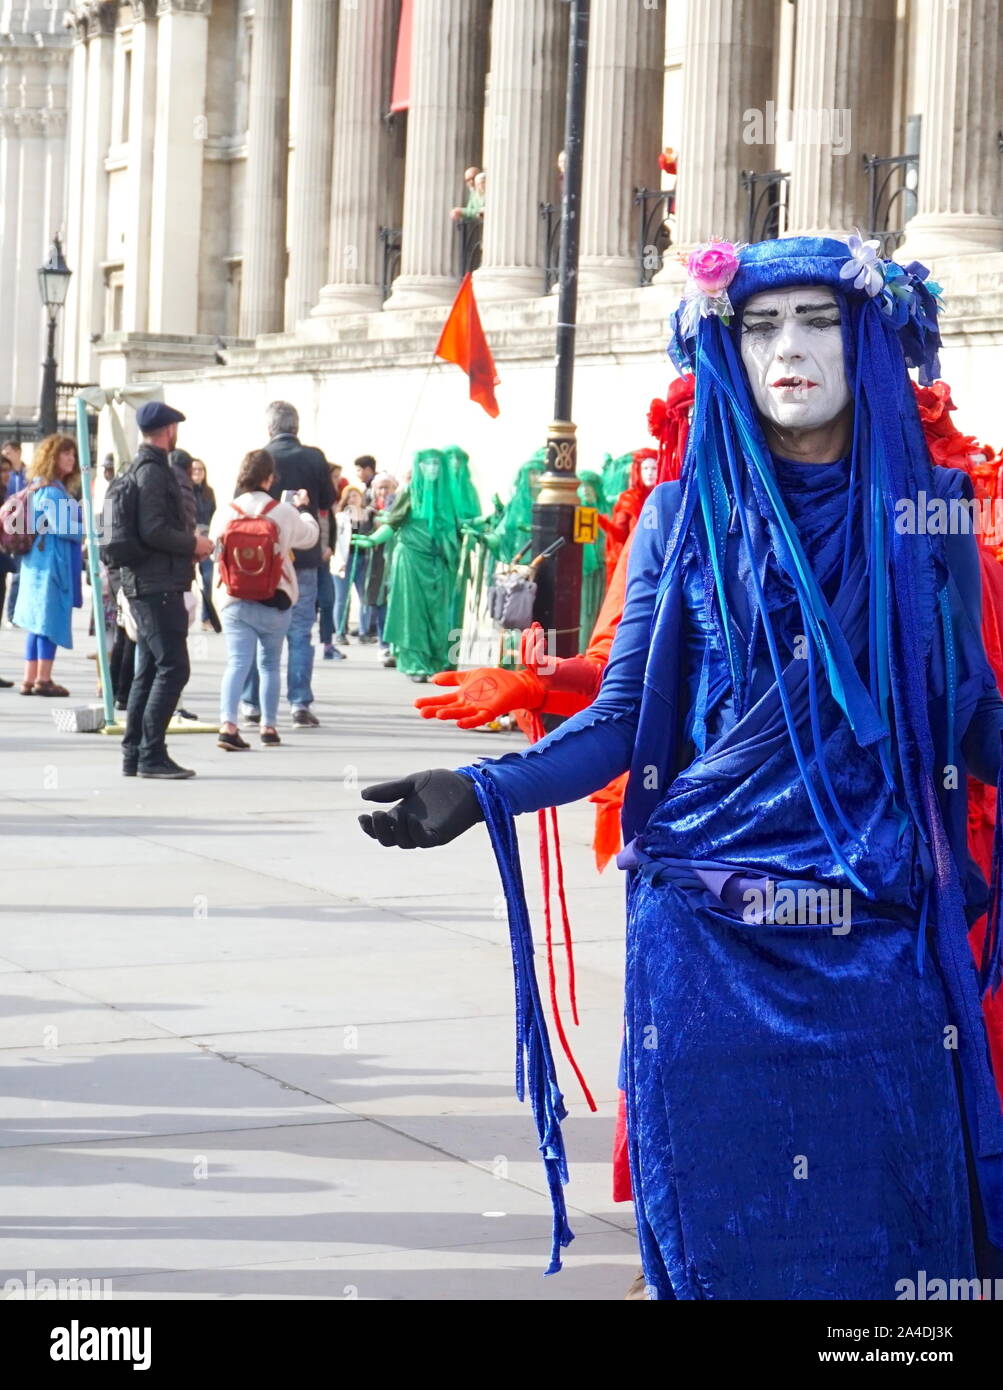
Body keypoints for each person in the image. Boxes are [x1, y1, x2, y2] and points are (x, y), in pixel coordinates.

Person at [358, 235, 1003, 1299]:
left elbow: (969, 720)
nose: (786, 348)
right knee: (724, 1238)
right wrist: (480, 790)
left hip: (876, 935)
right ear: (725, 348)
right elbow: (624, 722)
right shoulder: (677, 517)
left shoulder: (929, 521)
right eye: (758, 326)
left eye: (816, 320)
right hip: (709, 941)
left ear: (873, 342)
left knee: (889, 1241)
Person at [120, 401, 214, 779]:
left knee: (149, 669)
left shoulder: (140, 467)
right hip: (157, 583)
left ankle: (135, 753)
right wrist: (193, 545)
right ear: (170, 430)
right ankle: (151, 756)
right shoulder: (155, 472)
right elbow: (154, 529)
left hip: (147, 582)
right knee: (173, 667)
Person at [212, 449, 318, 750]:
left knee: (237, 662)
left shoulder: (226, 510)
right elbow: (308, 537)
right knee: (270, 664)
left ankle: (228, 725)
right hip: (275, 597)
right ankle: (269, 727)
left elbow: (215, 553)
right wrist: (303, 509)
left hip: (233, 597)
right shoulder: (282, 512)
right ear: (269, 478)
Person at [240, 401, 335, 729]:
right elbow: (327, 502)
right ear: (297, 426)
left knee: (254, 629)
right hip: (304, 557)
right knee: (299, 632)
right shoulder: (314, 457)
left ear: (269, 428)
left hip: (262, 559)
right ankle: (299, 704)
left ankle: (251, 704)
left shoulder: (258, 457)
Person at [353, 448, 465, 683]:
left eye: (436, 464)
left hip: (440, 563)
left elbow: (460, 526)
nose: (432, 469)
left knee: (439, 614)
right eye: (426, 464)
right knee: (412, 613)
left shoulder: (449, 497)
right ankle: (414, 663)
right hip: (412, 561)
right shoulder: (409, 493)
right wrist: (372, 539)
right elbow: (392, 524)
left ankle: (437, 663)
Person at [11, 434, 83, 697]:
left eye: (73, 454)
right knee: (48, 622)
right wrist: (91, 529)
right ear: (52, 457)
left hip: (37, 562)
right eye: (66, 454)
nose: (71, 459)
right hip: (51, 564)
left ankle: (29, 679)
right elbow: (62, 527)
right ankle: (43, 678)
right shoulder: (52, 491)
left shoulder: (39, 486)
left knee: (35, 623)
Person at [2, 440, 27, 625]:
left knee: (18, 575)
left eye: (9, 452)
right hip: (5, 535)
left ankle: (13, 614)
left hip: (20, 533)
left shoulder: (28, 474)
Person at [191, 458, 217, 628]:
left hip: (206, 537)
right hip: (189, 537)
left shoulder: (209, 492)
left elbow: (214, 515)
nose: (198, 473)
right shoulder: (184, 491)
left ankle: (206, 616)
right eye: (194, 470)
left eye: (201, 470)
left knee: (208, 578)